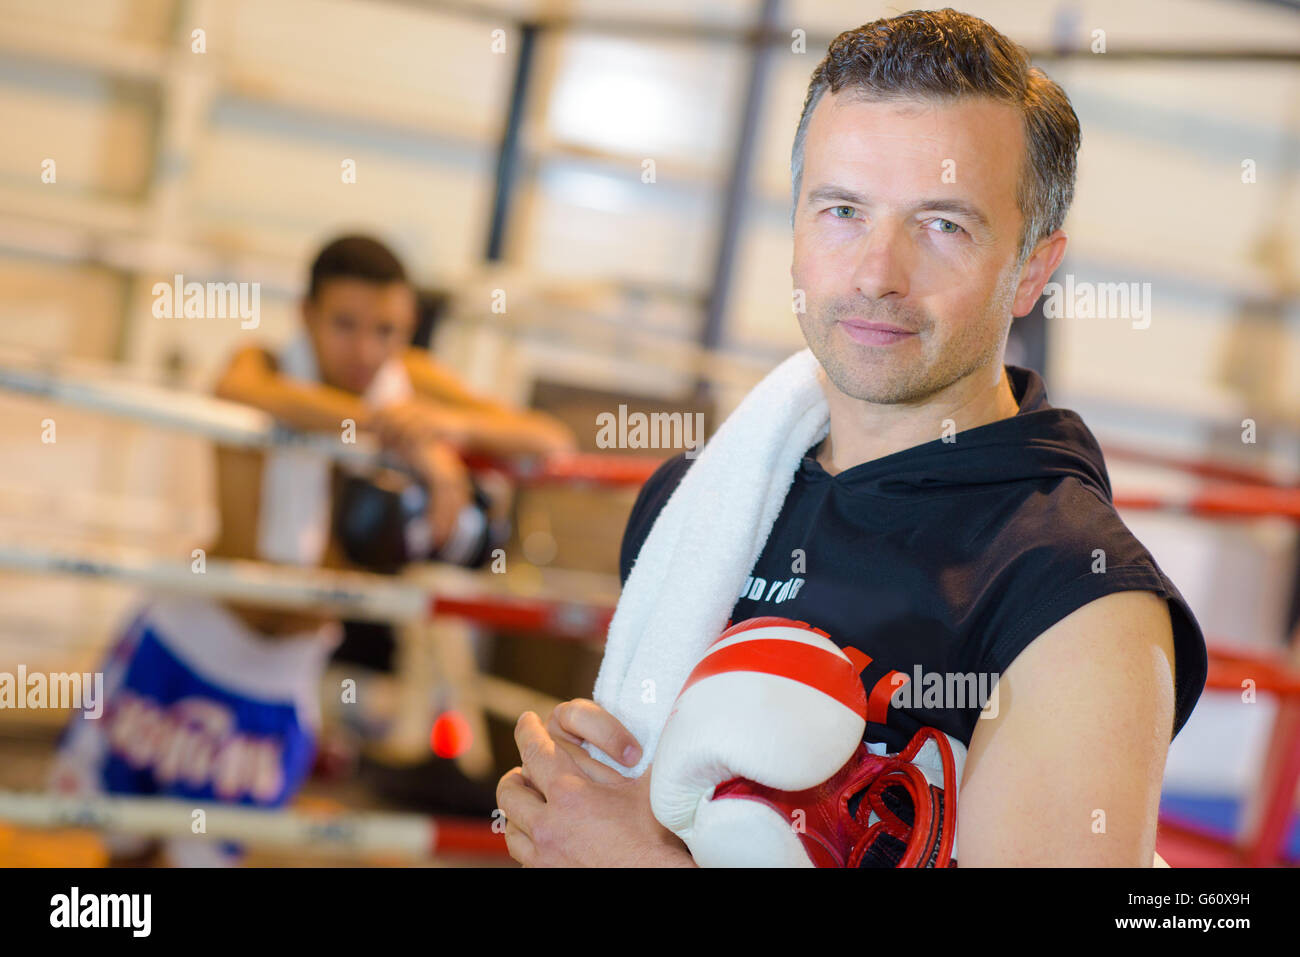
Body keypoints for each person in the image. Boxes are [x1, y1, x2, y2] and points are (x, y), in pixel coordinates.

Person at [495, 9, 1208, 867]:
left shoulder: (1076, 598)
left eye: (943, 224)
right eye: (841, 210)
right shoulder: (698, 501)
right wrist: (571, 808)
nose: (877, 274)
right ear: (794, 228)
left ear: (1031, 271)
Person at [51, 234, 574, 866]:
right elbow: (242, 394)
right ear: (307, 315)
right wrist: (415, 445)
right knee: (124, 846)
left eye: (387, 330)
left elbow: (548, 439)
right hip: (185, 638)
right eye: (345, 325)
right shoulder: (264, 364)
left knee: (206, 859)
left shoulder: (409, 387)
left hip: (279, 676)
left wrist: (451, 429)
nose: (366, 349)